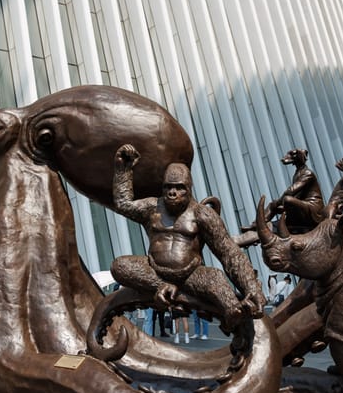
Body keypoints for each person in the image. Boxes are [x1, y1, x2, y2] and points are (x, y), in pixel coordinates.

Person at [110, 144, 264, 352]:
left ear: (189, 188)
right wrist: (124, 169)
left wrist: (251, 288)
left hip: (191, 274)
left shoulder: (202, 215)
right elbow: (123, 204)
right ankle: (164, 286)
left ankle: (233, 314)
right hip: (155, 272)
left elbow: (229, 253)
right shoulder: (151, 208)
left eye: (179, 187)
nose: (172, 192)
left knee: (216, 278)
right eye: (168, 187)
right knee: (120, 265)